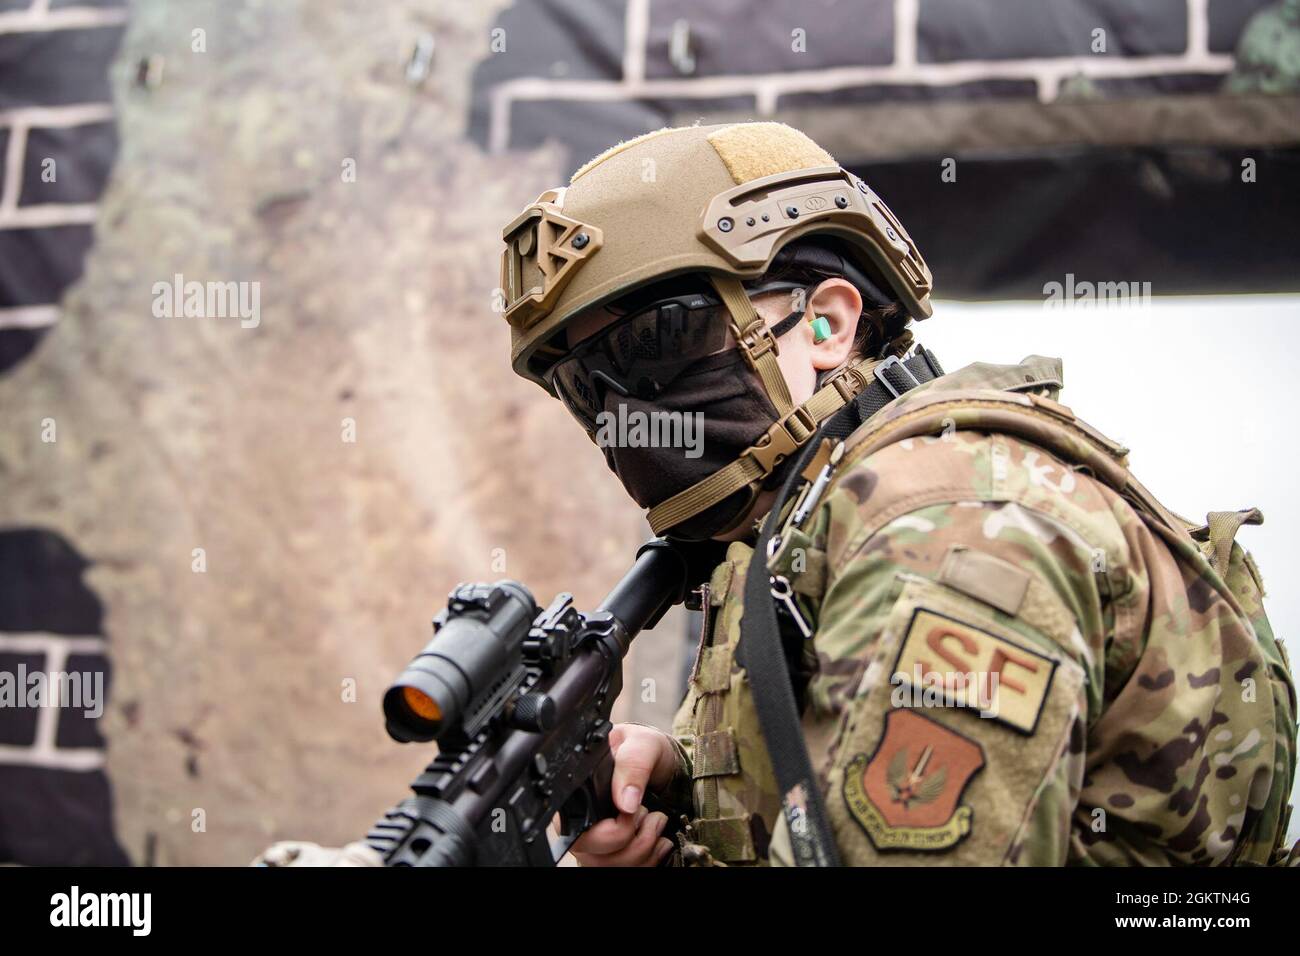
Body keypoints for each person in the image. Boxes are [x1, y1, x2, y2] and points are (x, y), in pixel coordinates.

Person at [493, 121, 1298, 866]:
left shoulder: (946, 526)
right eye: (582, 387)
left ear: (825, 326)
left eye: (654, 343)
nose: (621, 415)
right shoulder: (802, 537)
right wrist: (680, 788)